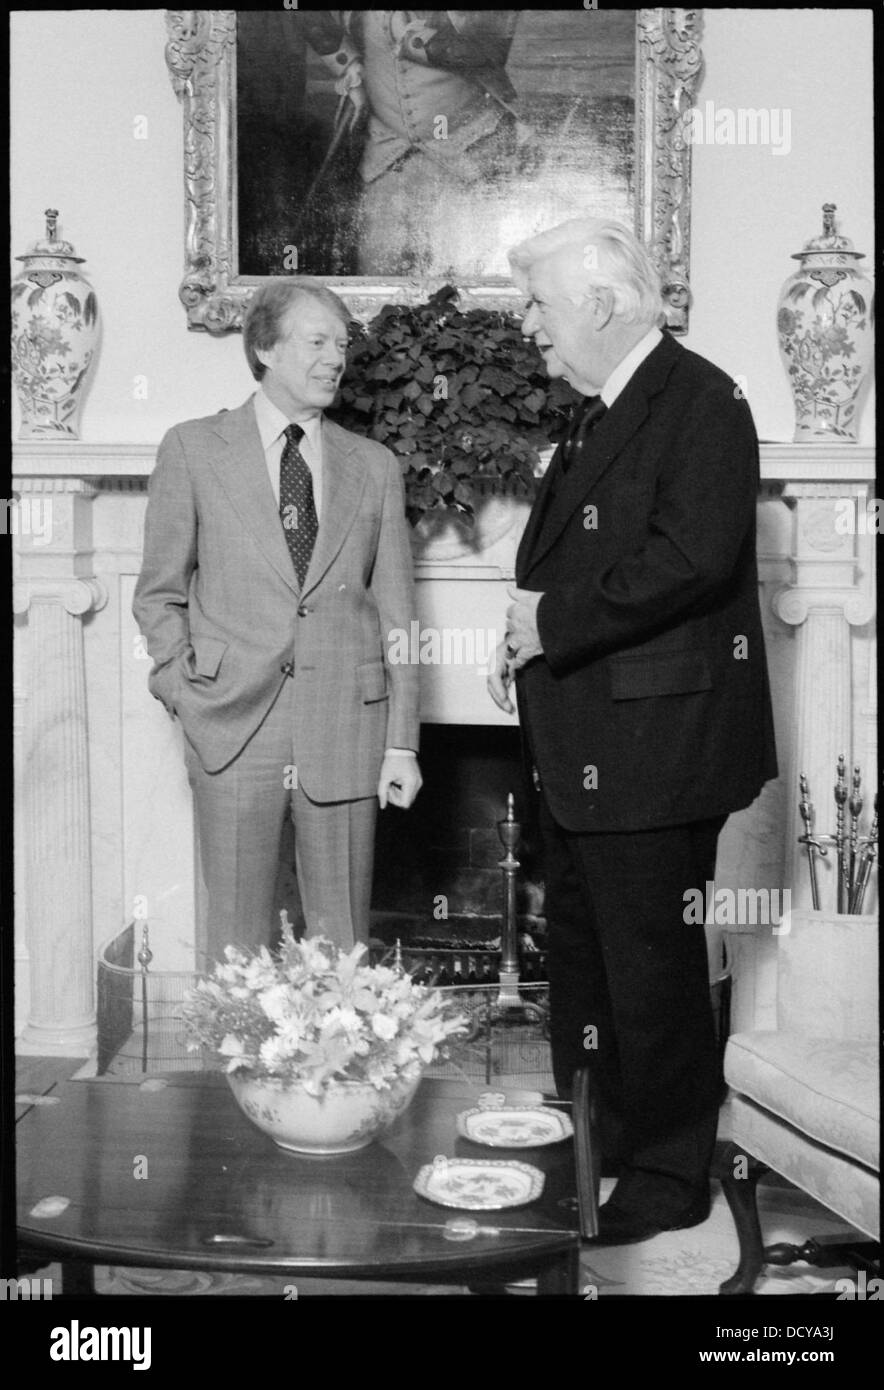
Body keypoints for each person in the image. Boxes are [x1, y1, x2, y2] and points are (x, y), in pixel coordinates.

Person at [488, 218, 777, 1246]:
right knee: (583, 959)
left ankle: (665, 1174)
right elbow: (576, 570)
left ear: (603, 306)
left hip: (655, 751)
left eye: (541, 307)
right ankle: (594, 1139)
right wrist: (524, 637)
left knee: (647, 969)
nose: (529, 328)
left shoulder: (703, 400)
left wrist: (547, 623)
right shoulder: (595, 413)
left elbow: (691, 558)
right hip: (583, 747)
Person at [134, 280, 422, 964]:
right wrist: (184, 689)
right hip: (231, 727)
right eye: (317, 342)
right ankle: (244, 1074)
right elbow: (159, 594)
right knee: (235, 948)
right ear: (264, 347)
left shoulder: (374, 466)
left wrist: (401, 743)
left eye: (343, 344)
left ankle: (343, 1068)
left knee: (344, 948)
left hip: (348, 729)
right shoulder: (193, 449)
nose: (336, 359)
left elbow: (400, 617)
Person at [298, 10, 526, 276]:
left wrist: (413, 38)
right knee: (379, 265)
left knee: (463, 265)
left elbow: (488, 50)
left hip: (466, 147)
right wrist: (348, 63)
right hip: (386, 146)